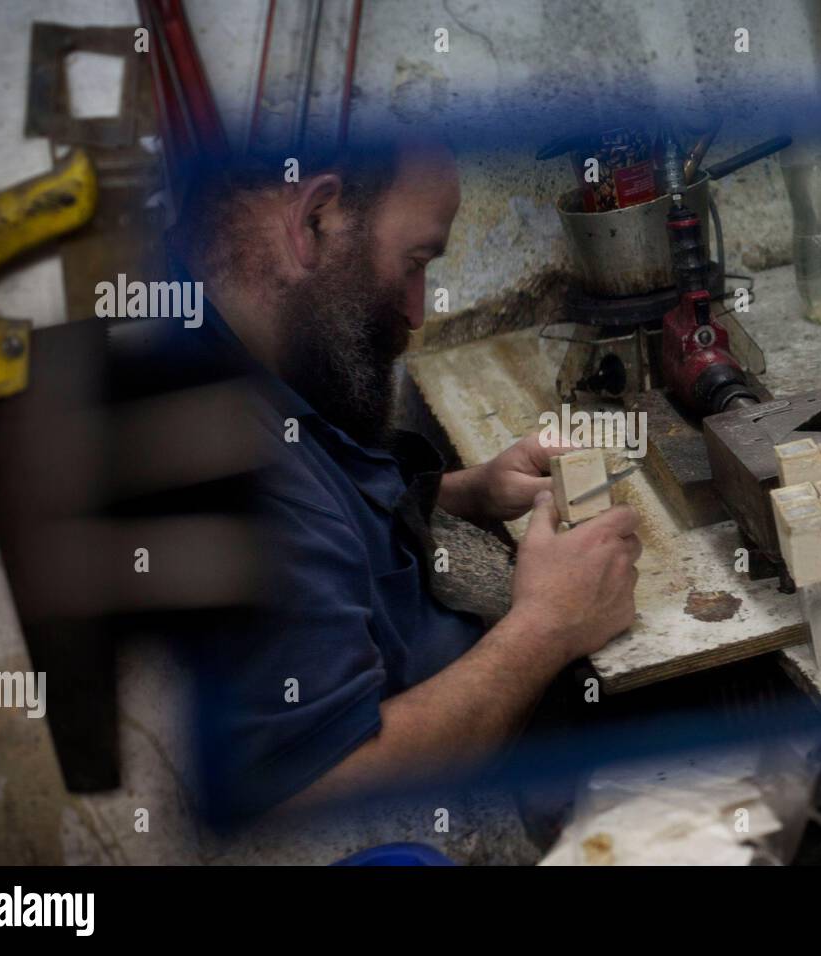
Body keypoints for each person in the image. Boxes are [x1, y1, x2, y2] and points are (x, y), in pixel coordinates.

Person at [170, 137, 641, 822]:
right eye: (415, 262)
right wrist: (548, 626)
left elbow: (329, 524)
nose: (418, 313)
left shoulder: (241, 347)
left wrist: (461, 493)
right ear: (314, 222)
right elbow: (319, 792)